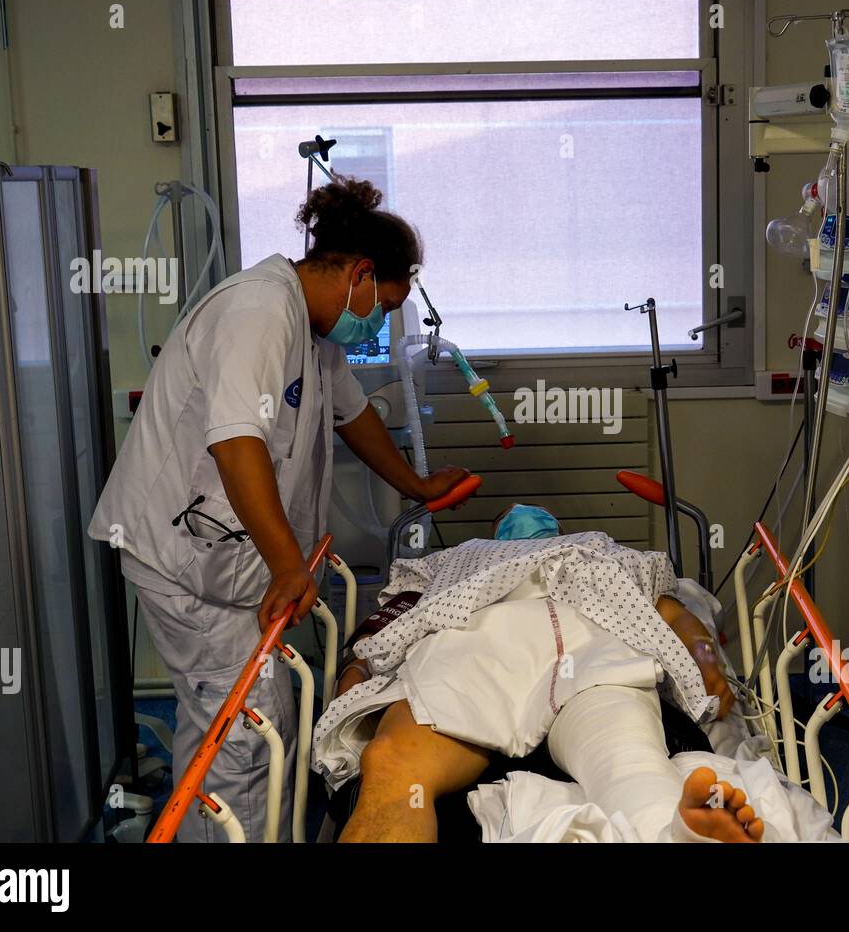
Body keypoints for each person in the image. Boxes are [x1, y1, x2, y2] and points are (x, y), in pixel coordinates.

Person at [89, 175, 467, 842]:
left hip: (224, 557)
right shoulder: (259, 314)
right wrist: (289, 566)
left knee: (236, 722)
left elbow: (353, 415)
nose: (379, 320)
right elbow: (238, 443)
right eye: (384, 304)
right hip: (185, 560)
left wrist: (417, 484)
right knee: (243, 737)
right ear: (358, 271)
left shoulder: (316, 331)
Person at [320, 504, 767, 843]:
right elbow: (389, 622)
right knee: (393, 765)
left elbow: (669, 609)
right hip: (488, 647)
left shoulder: (599, 547)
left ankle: (677, 828)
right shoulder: (454, 559)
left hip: (574, 642)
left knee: (627, 763)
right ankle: (666, 824)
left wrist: (705, 657)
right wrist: (357, 667)